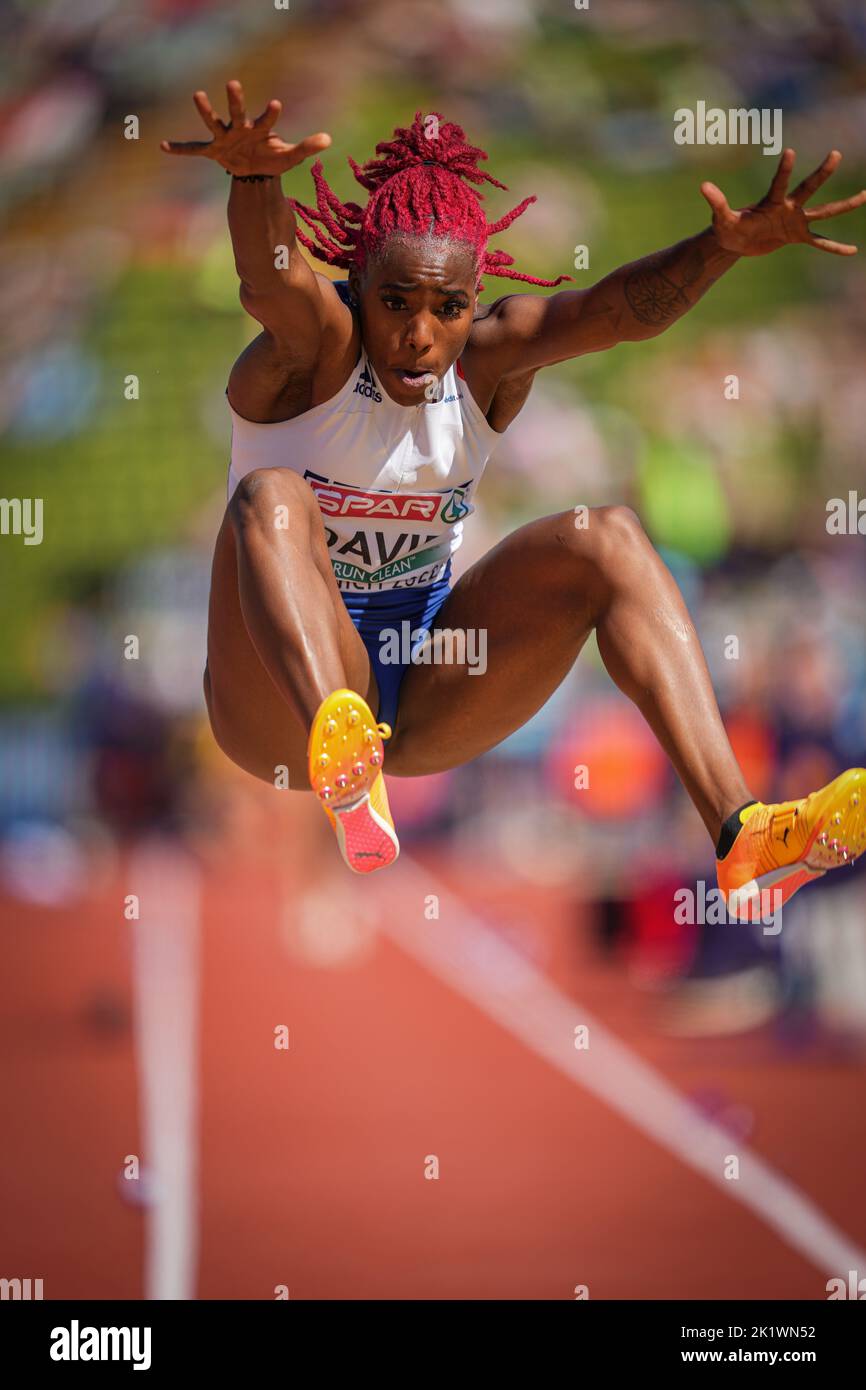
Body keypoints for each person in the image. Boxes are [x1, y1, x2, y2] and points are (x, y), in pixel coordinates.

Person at [162, 81, 865, 908]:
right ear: (358, 282)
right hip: (277, 709)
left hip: (420, 696)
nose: (420, 335)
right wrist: (253, 182)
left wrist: (721, 251)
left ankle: (740, 832)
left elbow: (615, 313)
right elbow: (271, 282)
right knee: (273, 496)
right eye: (395, 303)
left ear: (472, 303)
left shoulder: (487, 363)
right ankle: (343, 767)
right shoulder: (315, 346)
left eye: (447, 308)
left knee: (607, 536)